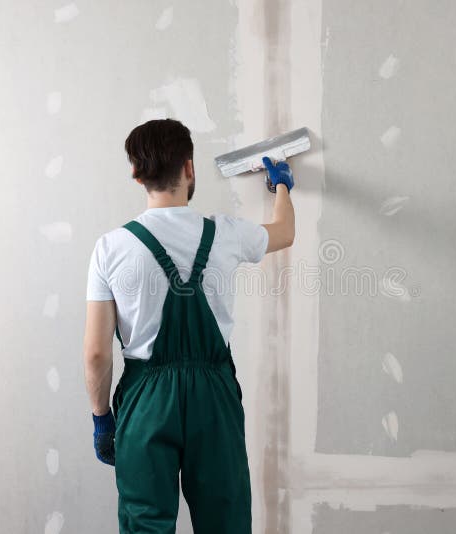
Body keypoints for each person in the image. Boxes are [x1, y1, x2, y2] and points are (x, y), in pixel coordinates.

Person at [82, 118, 295, 533]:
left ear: (136, 174)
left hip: (146, 402)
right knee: (224, 521)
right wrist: (282, 185)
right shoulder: (227, 234)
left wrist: (101, 418)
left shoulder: (111, 248)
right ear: (189, 168)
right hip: (213, 399)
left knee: (145, 524)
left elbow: (96, 354)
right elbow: (285, 233)